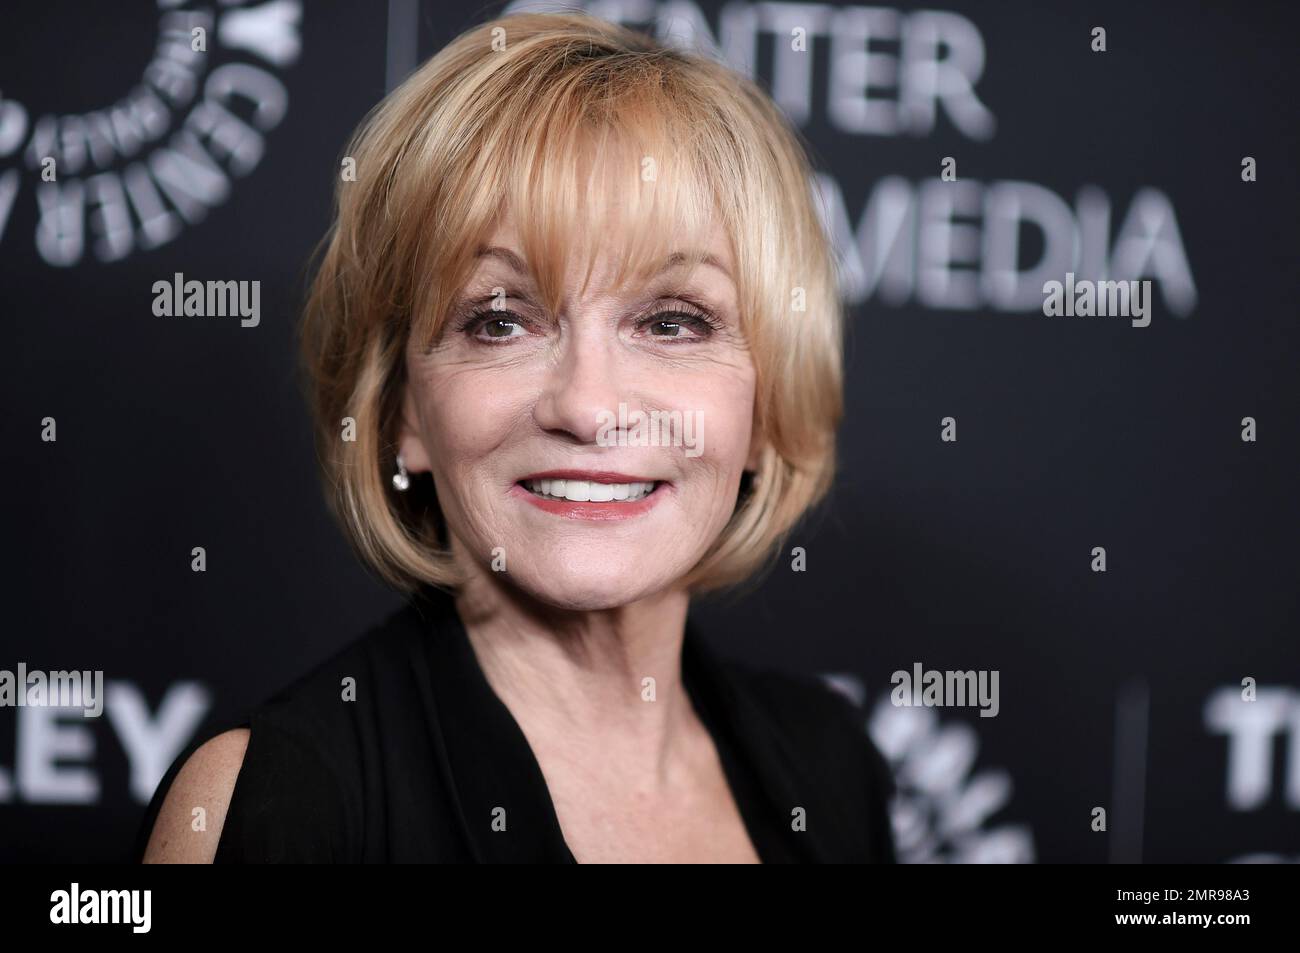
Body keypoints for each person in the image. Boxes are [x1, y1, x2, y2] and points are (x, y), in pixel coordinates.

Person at [138, 10, 896, 864]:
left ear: (766, 410)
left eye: (675, 322)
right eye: (499, 321)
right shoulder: (270, 804)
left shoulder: (830, 770)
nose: (588, 404)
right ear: (402, 411)